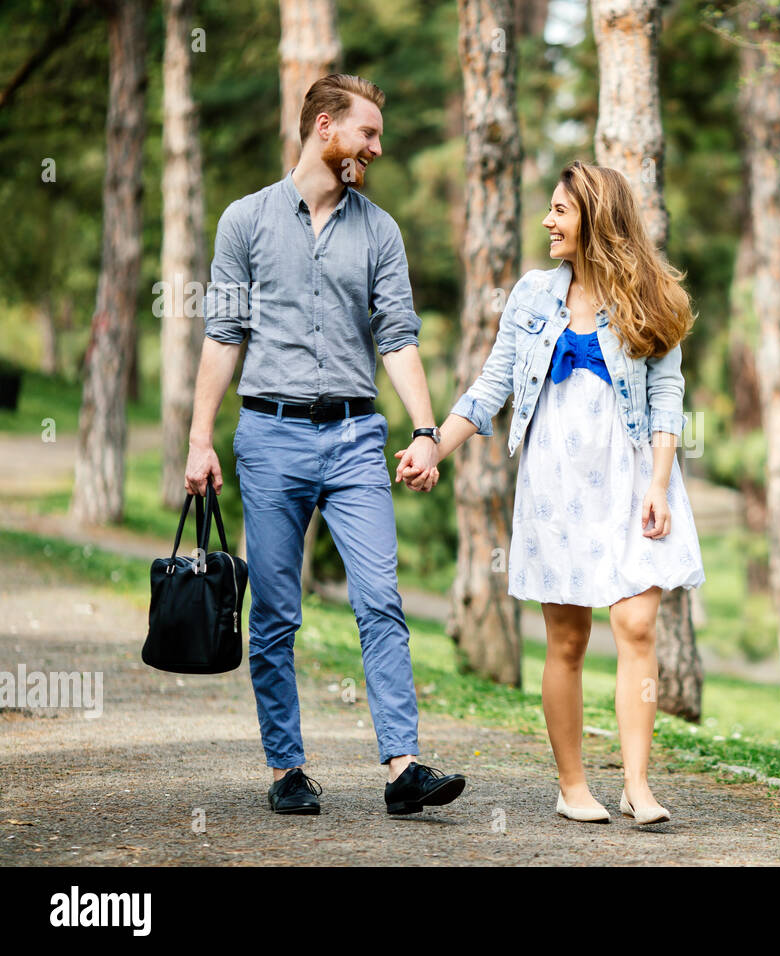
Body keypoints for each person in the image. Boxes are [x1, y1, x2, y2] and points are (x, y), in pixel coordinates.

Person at [185, 73, 466, 817]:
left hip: (353, 438)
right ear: (324, 128)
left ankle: (404, 767)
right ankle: (287, 768)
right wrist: (197, 440)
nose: (377, 147)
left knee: (379, 597)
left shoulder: (380, 231)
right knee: (276, 611)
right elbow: (223, 336)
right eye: (367, 133)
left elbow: (399, 338)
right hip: (269, 437)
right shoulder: (243, 222)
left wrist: (427, 431)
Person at [420, 160, 706, 824]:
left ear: (595, 219)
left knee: (636, 623)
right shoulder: (531, 294)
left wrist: (660, 482)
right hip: (555, 481)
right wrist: (435, 443)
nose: (547, 221)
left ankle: (637, 785)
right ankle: (573, 786)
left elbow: (667, 399)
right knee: (568, 638)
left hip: (635, 478)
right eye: (548, 209)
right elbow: (492, 385)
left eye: (560, 210)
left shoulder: (651, 295)